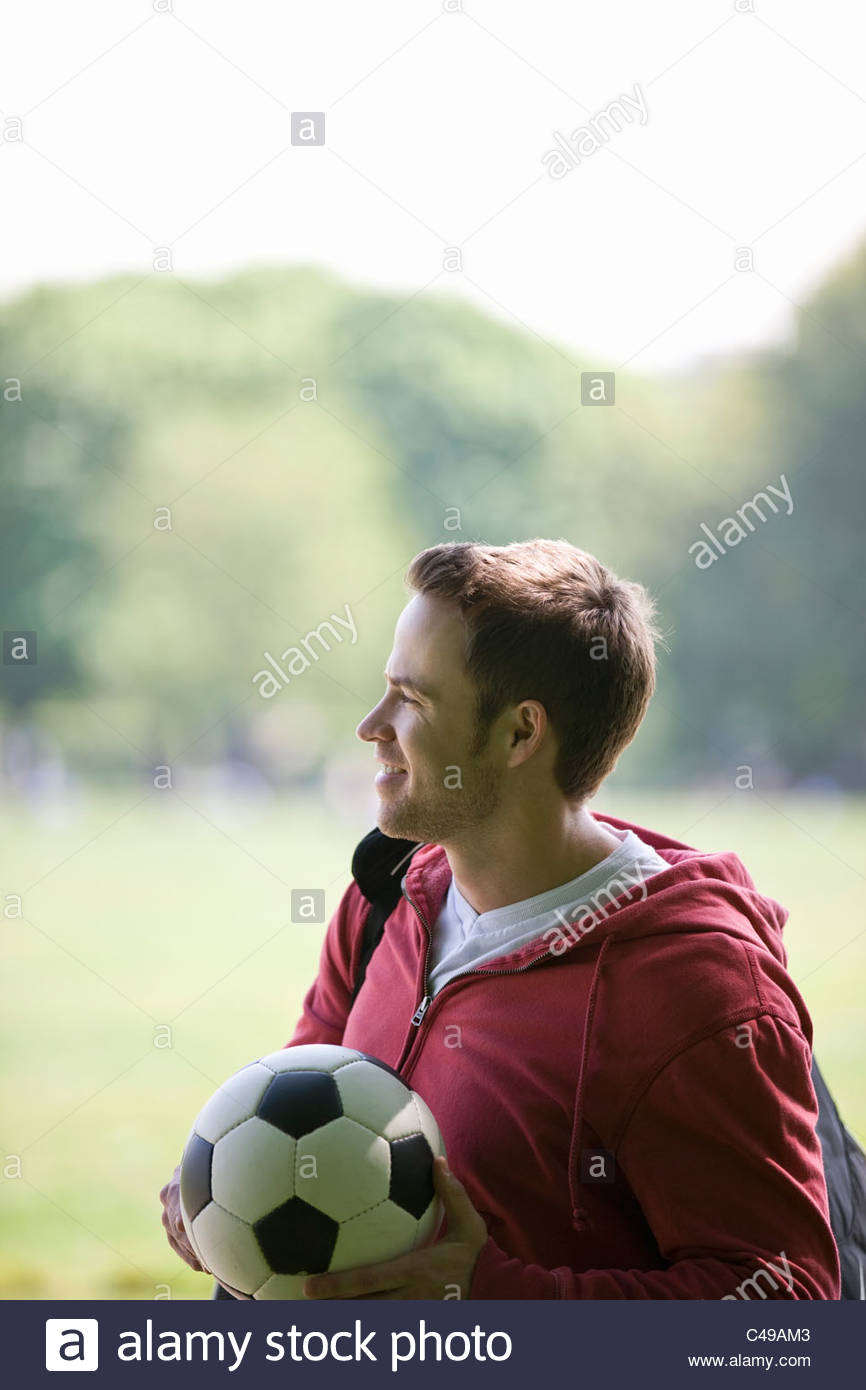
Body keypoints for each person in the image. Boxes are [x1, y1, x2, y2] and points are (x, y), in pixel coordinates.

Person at [161, 538, 840, 1299]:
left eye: (412, 700)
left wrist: (492, 1294)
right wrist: (224, 1188)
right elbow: (296, 1102)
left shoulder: (698, 995)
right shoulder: (385, 898)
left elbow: (784, 1304)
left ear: (520, 733)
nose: (371, 725)